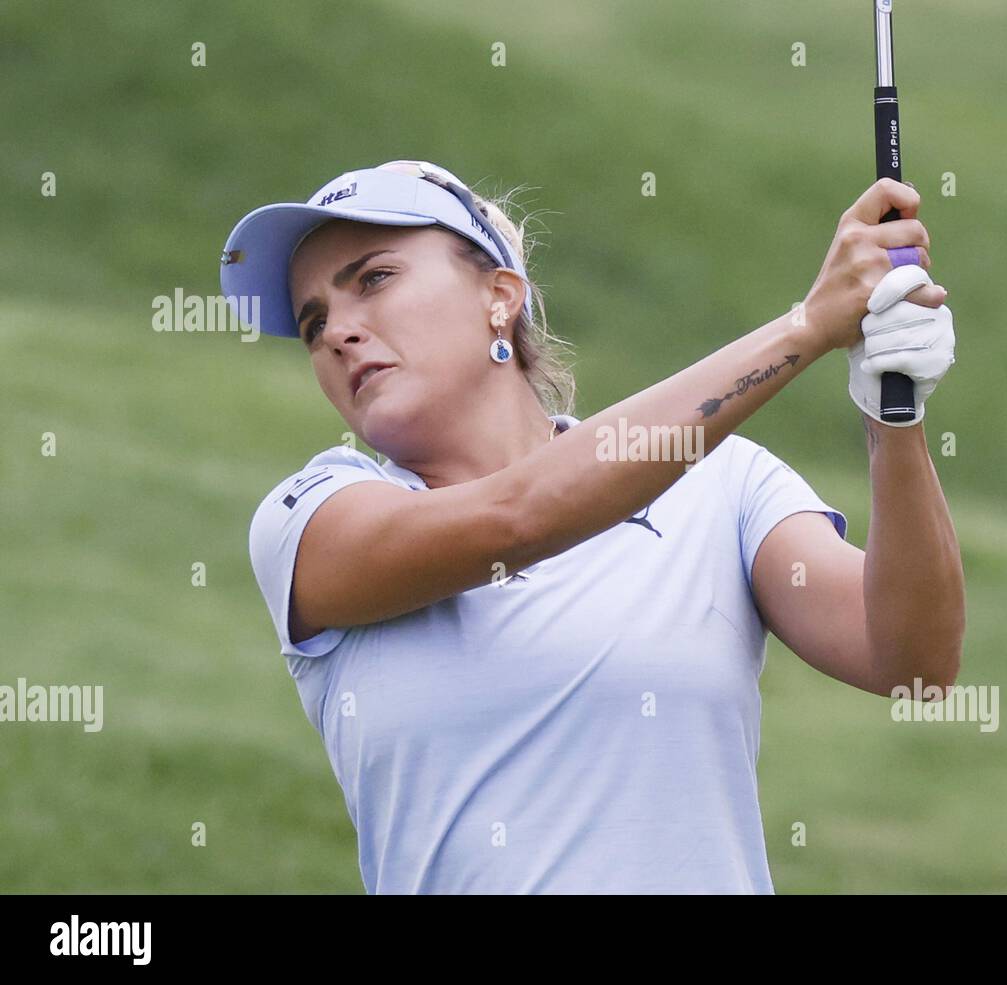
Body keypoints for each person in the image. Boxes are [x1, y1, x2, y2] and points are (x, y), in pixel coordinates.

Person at [220, 158, 964, 894]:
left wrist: (891, 414)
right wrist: (807, 326)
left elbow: (912, 660)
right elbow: (517, 517)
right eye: (314, 320)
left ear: (499, 296)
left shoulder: (722, 482)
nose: (338, 332)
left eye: (374, 279)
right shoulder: (309, 516)